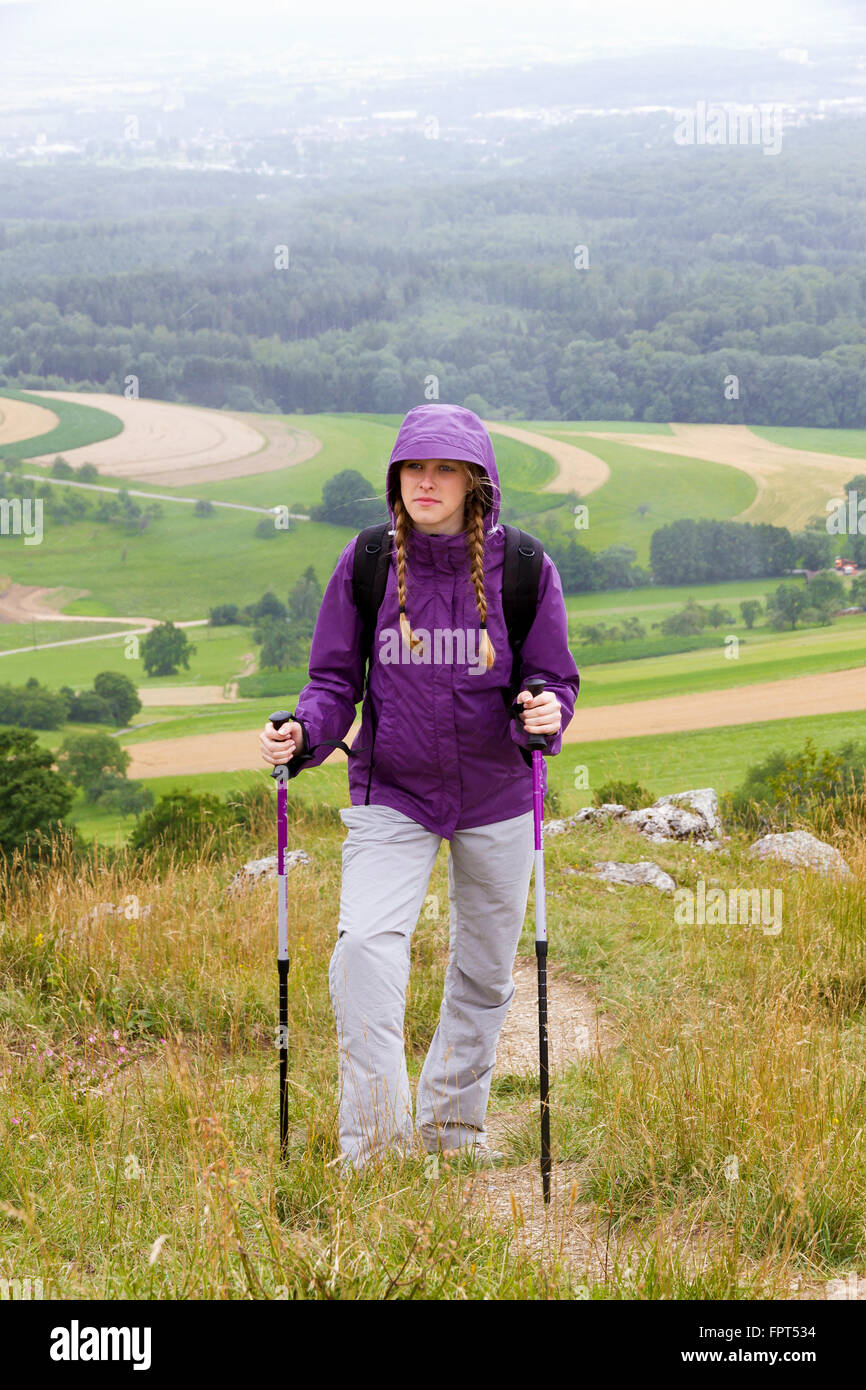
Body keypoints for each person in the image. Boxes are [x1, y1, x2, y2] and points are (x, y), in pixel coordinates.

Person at [259, 402, 580, 1173]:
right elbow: (335, 681)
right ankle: (373, 1151)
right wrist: (306, 731)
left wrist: (545, 707)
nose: (425, 482)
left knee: (483, 973)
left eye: (444, 470)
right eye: (413, 468)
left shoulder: (527, 569)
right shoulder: (368, 561)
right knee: (366, 949)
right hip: (391, 789)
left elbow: (553, 676)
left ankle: (453, 1135)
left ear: (477, 483)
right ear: (395, 476)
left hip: (500, 794)